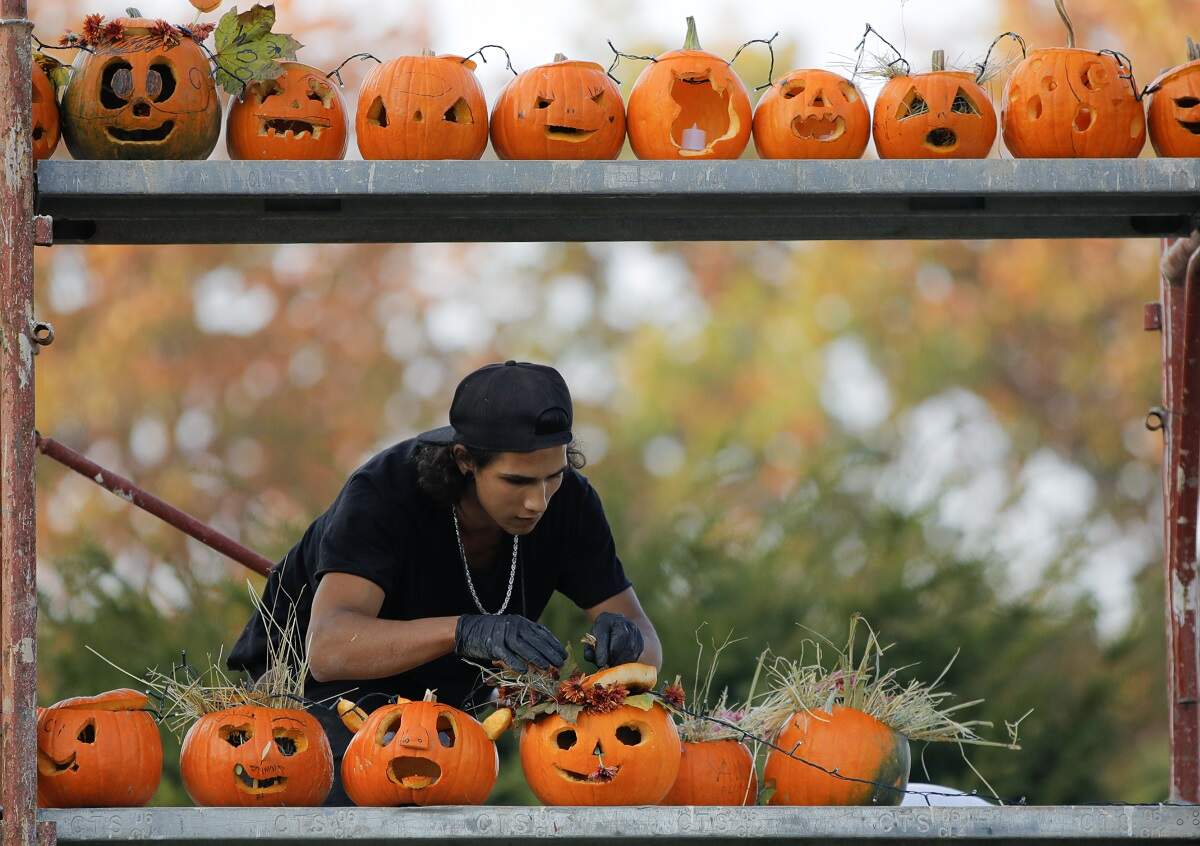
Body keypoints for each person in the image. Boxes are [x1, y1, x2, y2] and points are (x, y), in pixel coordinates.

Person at [228, 360, 661, 804]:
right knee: (372, 797)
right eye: (517, 481)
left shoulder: (571, 504)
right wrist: (466, 631)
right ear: (464, 460)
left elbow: (649, 645)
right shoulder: (382, 493)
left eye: (554, 476)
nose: (538, 502)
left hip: (442, 708)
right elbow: (329, 649)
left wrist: (627, 643)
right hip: (313, 702)